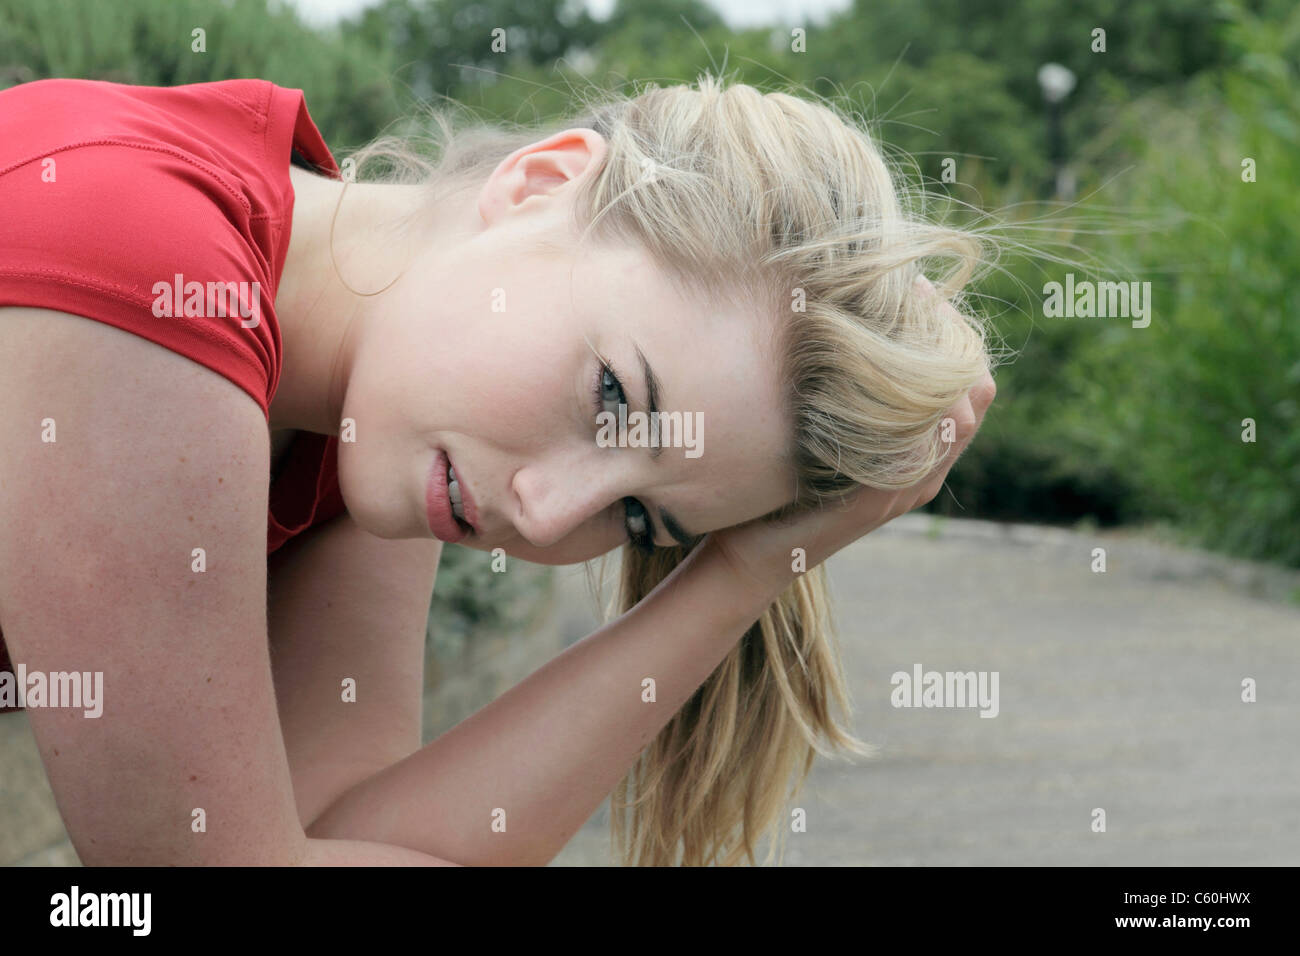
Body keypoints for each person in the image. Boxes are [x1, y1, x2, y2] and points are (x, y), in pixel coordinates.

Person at [0, 73, 996, 866]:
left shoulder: (375, 414)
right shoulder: (139, 257)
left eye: (642, 520)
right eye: (612, 398)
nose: (550, 515)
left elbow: (358, 830)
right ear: (541, 182)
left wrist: (741, 573)